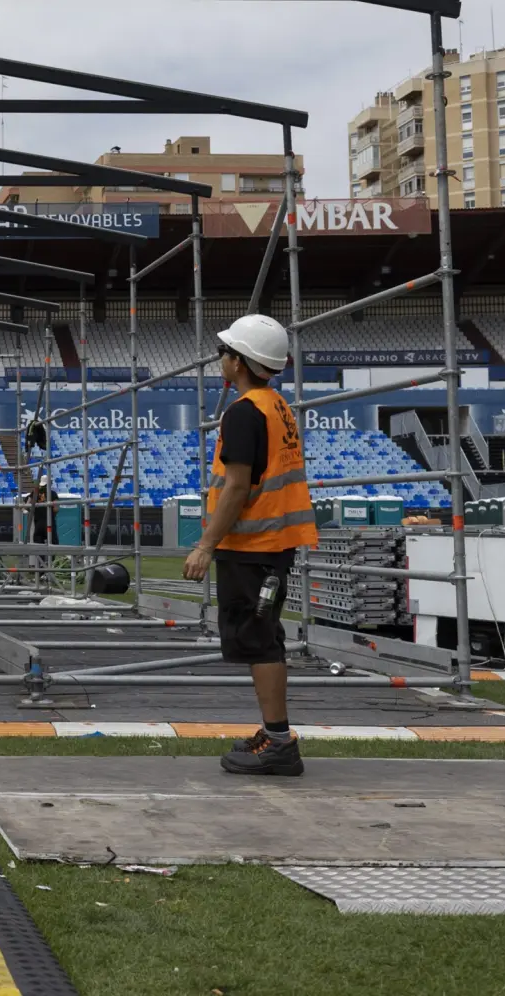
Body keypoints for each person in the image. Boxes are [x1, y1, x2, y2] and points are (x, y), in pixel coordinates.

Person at [182, 314, 319, 777]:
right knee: (266, 638)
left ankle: (279, 741)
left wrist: (204, 546)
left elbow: (237, 487)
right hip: (273, 542)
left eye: (226, 352)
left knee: (258, 641)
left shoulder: (244, 411)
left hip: (253, 543)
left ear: (239, 362)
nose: (221, 358)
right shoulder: (275, 404)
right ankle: (275, 734)